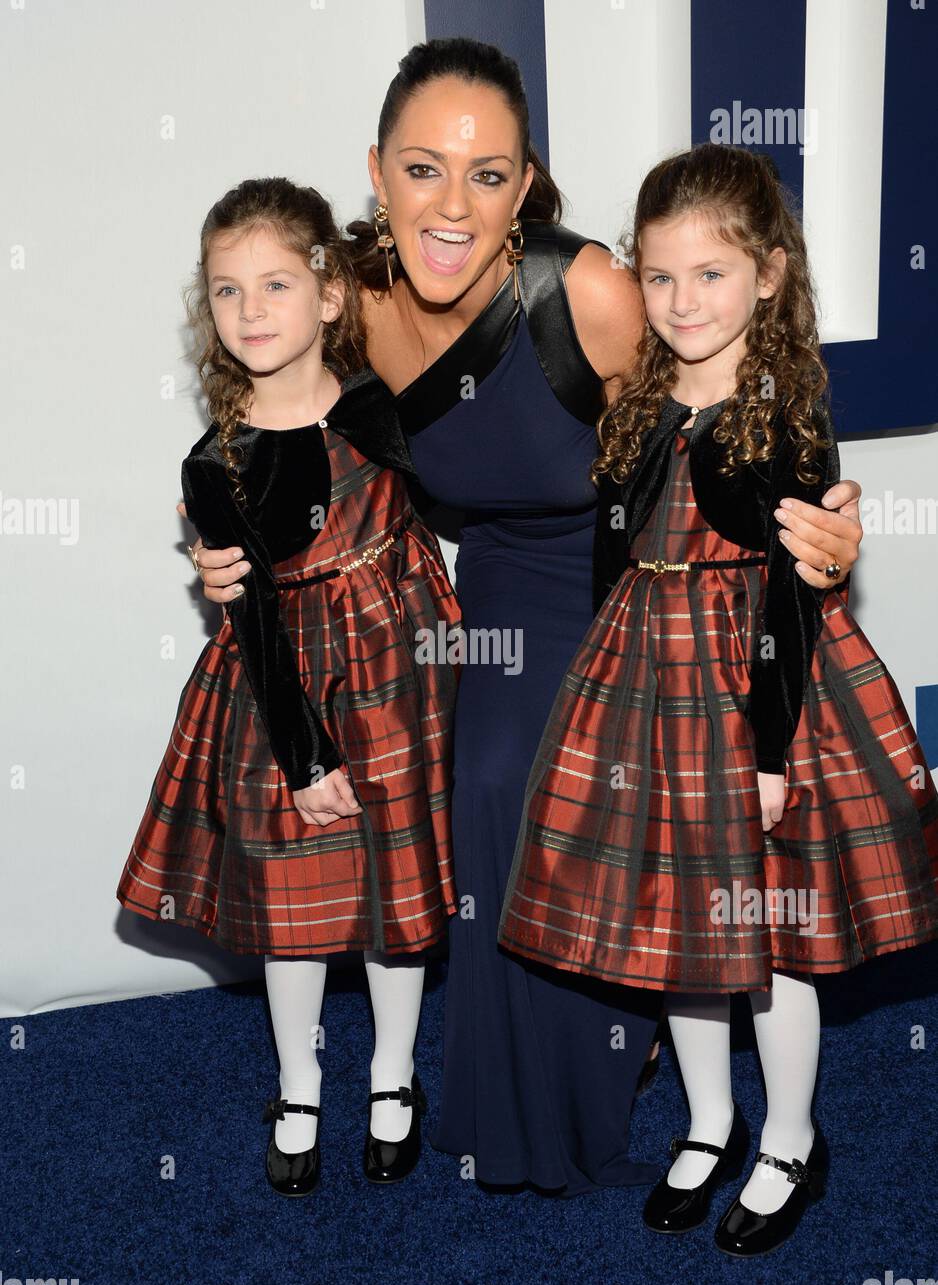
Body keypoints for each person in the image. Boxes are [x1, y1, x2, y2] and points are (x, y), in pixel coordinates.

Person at [182, 41, 865, 1197]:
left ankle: (631, 1039)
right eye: (422, 169)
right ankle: (525, 1097)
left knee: (601, 781)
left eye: (487, 174)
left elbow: (732, 408)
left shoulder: (587, 290)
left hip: (627, 567)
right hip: (505, 565)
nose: (451, 205)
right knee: (489, 777)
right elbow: (274, 409)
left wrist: (823, 530)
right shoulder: (345, 302)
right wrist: (227, 536)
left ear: (524, 186)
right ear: (376, 174)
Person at [497, 143, 938, 1250]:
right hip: (646, 685)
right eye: (659, 275)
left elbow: (793, 590)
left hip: (753, 691)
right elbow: (612, 559)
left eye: (711, 273)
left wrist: (771, 754)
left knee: (769, 934)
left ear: (768, 275)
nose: (682, 300)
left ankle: (789, 1136)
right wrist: (599, 686)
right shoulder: (638, 404)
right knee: (681, 927)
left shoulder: (783, 410)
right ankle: (708, 1120)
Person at [116, 177, 462, 1197]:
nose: (251, 309)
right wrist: (305, 759)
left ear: (327, 295)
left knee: (399, 879)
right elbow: (254, 617)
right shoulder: (215, 462)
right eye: (227, 290)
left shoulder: (375, 403)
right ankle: (300, 1081)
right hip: (285, 696)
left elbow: (446, 498)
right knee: (292, 900)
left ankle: (393, 1071)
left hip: (400, 672)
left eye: (276, 284)